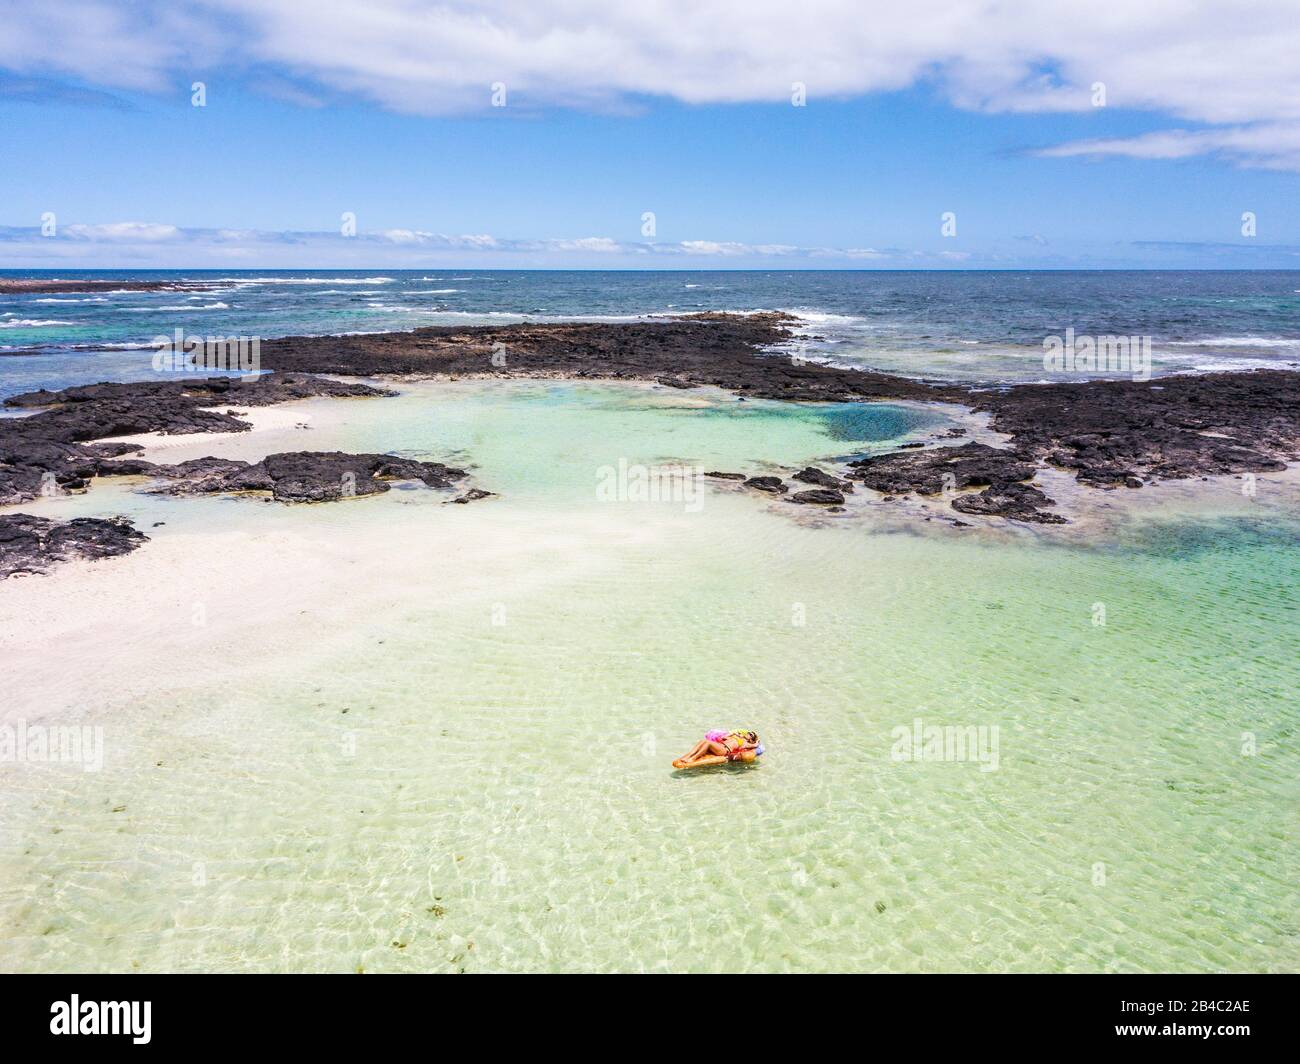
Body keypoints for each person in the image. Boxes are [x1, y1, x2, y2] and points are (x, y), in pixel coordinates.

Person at [672, 729, 762, 769]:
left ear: (751, 739)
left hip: (724, 750)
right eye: (749, 732)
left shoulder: (746, 743)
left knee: (707, 742)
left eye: (751, 734)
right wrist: (734, 734)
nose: (749, 733)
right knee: (703, 741)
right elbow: (724, 737)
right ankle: (688, 756)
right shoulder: (735, 737)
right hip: (720, 745)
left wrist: (756, 740)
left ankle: (692, 758)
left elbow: (755, 745)